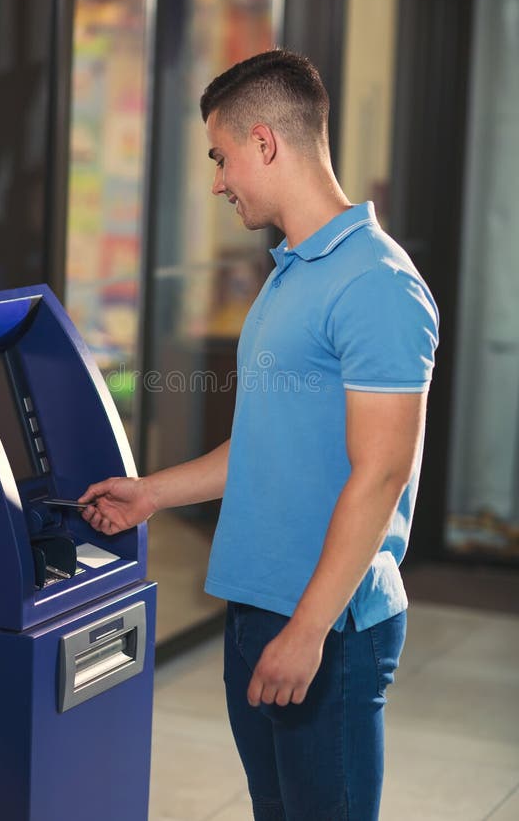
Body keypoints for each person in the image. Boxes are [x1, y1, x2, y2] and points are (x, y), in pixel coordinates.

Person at [80, 49, 439, 821]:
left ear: (265, 142)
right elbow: (265, 442)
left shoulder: (377, 283)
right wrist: (152, 493)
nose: (218, 181)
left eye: (221, 156)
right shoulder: (291, 273)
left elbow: (383, 473)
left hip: (329, 624)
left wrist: (308, 629)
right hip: (257, 607)